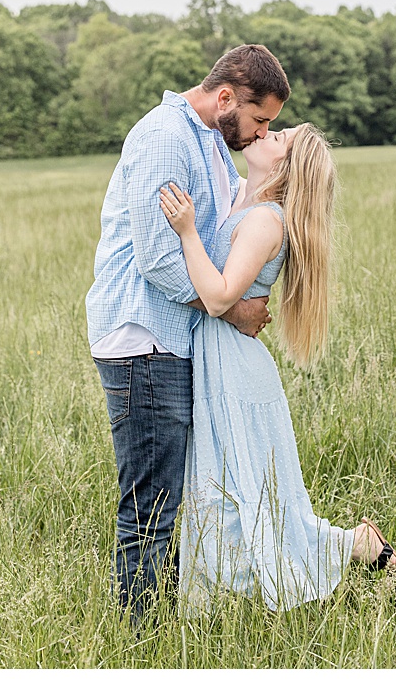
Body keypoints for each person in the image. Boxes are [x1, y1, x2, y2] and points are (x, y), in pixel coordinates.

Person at [158, 122, 396, 611]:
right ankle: (348, 548)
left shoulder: (265, 222)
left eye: (280, 139)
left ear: (285, 169)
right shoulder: (244, 201)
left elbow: (218, 298)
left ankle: (356, 546)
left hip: (233, 368)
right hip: (221, 363)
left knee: (243, 497)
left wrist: (186, 231)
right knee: (226, 493)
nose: (266, 134)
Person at [84, 44, 288, 616]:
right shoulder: (164, 137)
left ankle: (169, 616)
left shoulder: (214, 143)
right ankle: (140, 636)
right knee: (151, 506)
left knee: (177, 494)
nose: (260, 133)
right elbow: (157, 257)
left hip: (175, 336)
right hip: (145, 336)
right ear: (225, 98)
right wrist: (233, 310)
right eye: (259, 119)